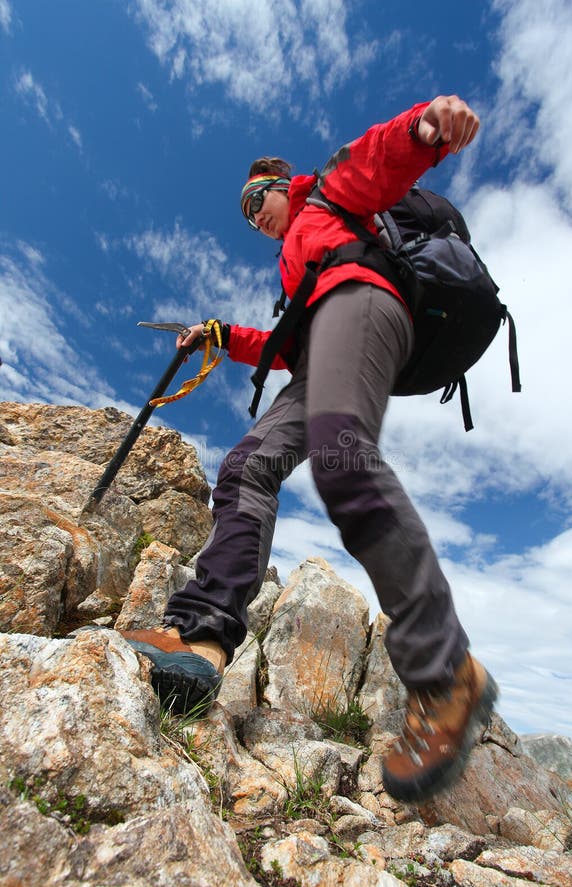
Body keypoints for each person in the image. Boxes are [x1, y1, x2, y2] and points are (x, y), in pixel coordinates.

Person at [121, 94, 498, 803]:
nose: (254, 214)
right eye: (245, 211)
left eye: (257, 198)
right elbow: (283, 347)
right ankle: (201, 638)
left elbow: (376, 160)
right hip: (317, 339)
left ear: (278, 185)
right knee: (245, 467)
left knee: (343, 460)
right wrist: (219, 336)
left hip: (363, 302)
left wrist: (424, 127)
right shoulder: (295, 264)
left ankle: (445, 675)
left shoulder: (324, 196)